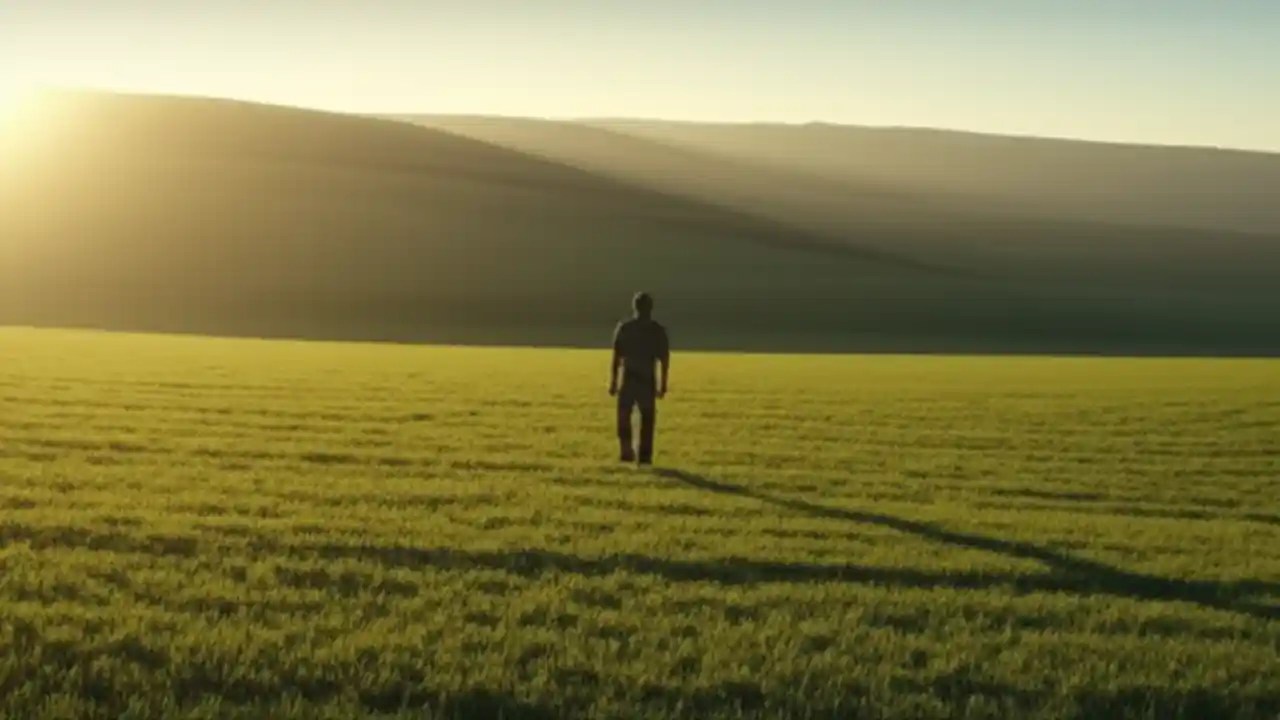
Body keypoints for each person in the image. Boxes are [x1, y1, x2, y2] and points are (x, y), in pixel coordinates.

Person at [609, 292, 670, 465]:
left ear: (634, 307)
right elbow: (664, 359)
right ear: (651, 308)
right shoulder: (657, 331)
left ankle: (626, 452)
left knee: (623, 417)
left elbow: (616, 357)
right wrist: (663, 383)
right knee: (648, 420)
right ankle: (644, 456)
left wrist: (614, 381)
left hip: (629, 378)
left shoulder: (625, 328)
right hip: (646, 379)